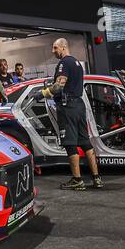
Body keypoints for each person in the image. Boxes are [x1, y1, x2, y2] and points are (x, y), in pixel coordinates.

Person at [40, 38, 101, 190]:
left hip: (68, 107)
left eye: (55, 48)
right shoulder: (77, 63)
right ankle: (96, 178)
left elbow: (59, 86)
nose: (53, 51)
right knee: (85, 142)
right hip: (79, 105)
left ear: (63, 47)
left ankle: (77, 180)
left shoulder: (64, 63)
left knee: (70, 144)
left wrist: (43, 93)